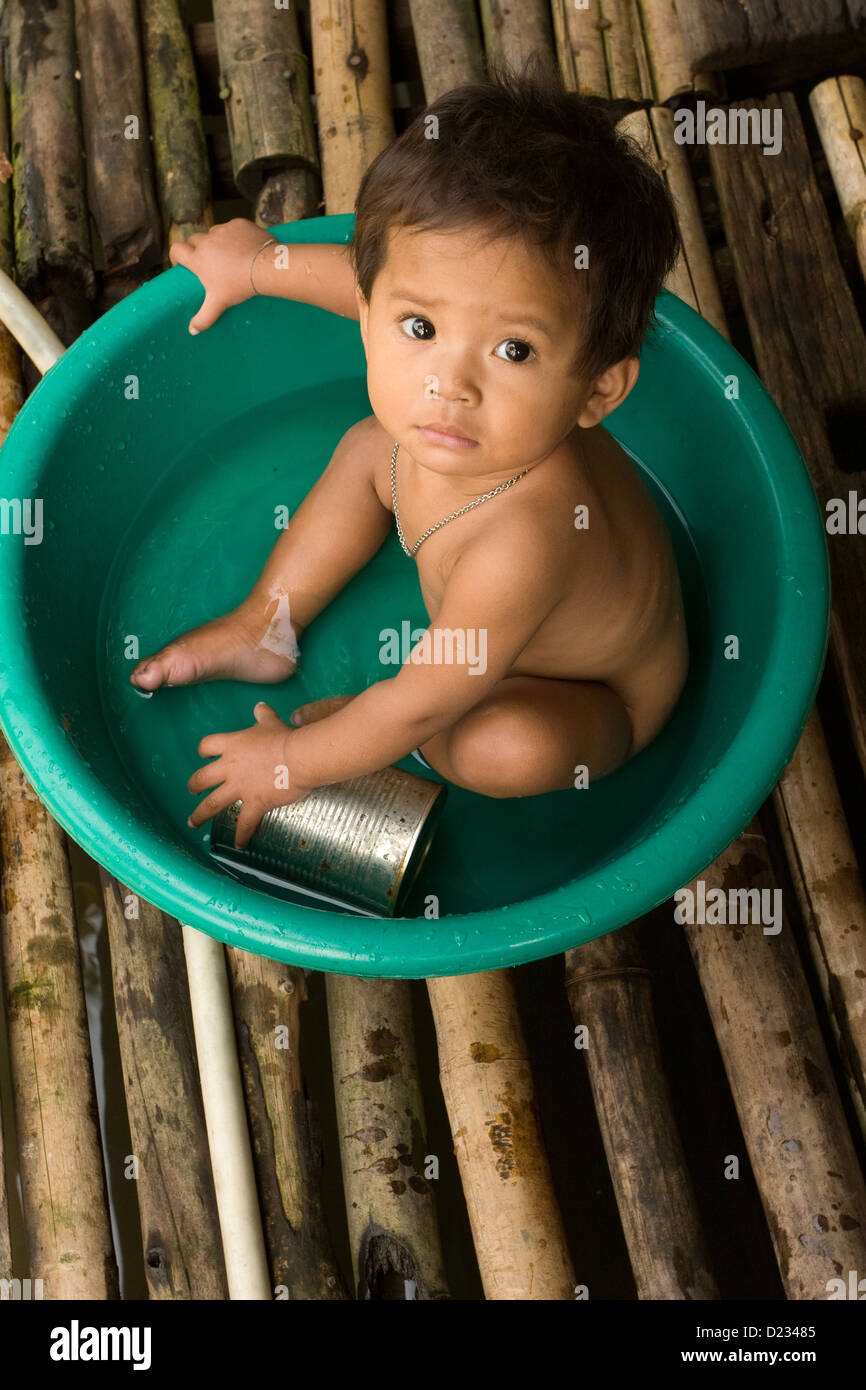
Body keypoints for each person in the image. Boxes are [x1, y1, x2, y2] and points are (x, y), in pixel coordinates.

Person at [131, 59, 689, 850]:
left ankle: (425, 753)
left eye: (515, 350)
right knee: (373, 444)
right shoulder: (428, 354)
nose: (449, 385)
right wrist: (257, 265)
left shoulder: (526, 541)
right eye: (422, 330)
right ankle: (265, 626)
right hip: (484, 618)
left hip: (590, 696)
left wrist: (292, 762)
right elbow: (370, 286)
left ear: (598, 389)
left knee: (502, 746)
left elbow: (419, 698)